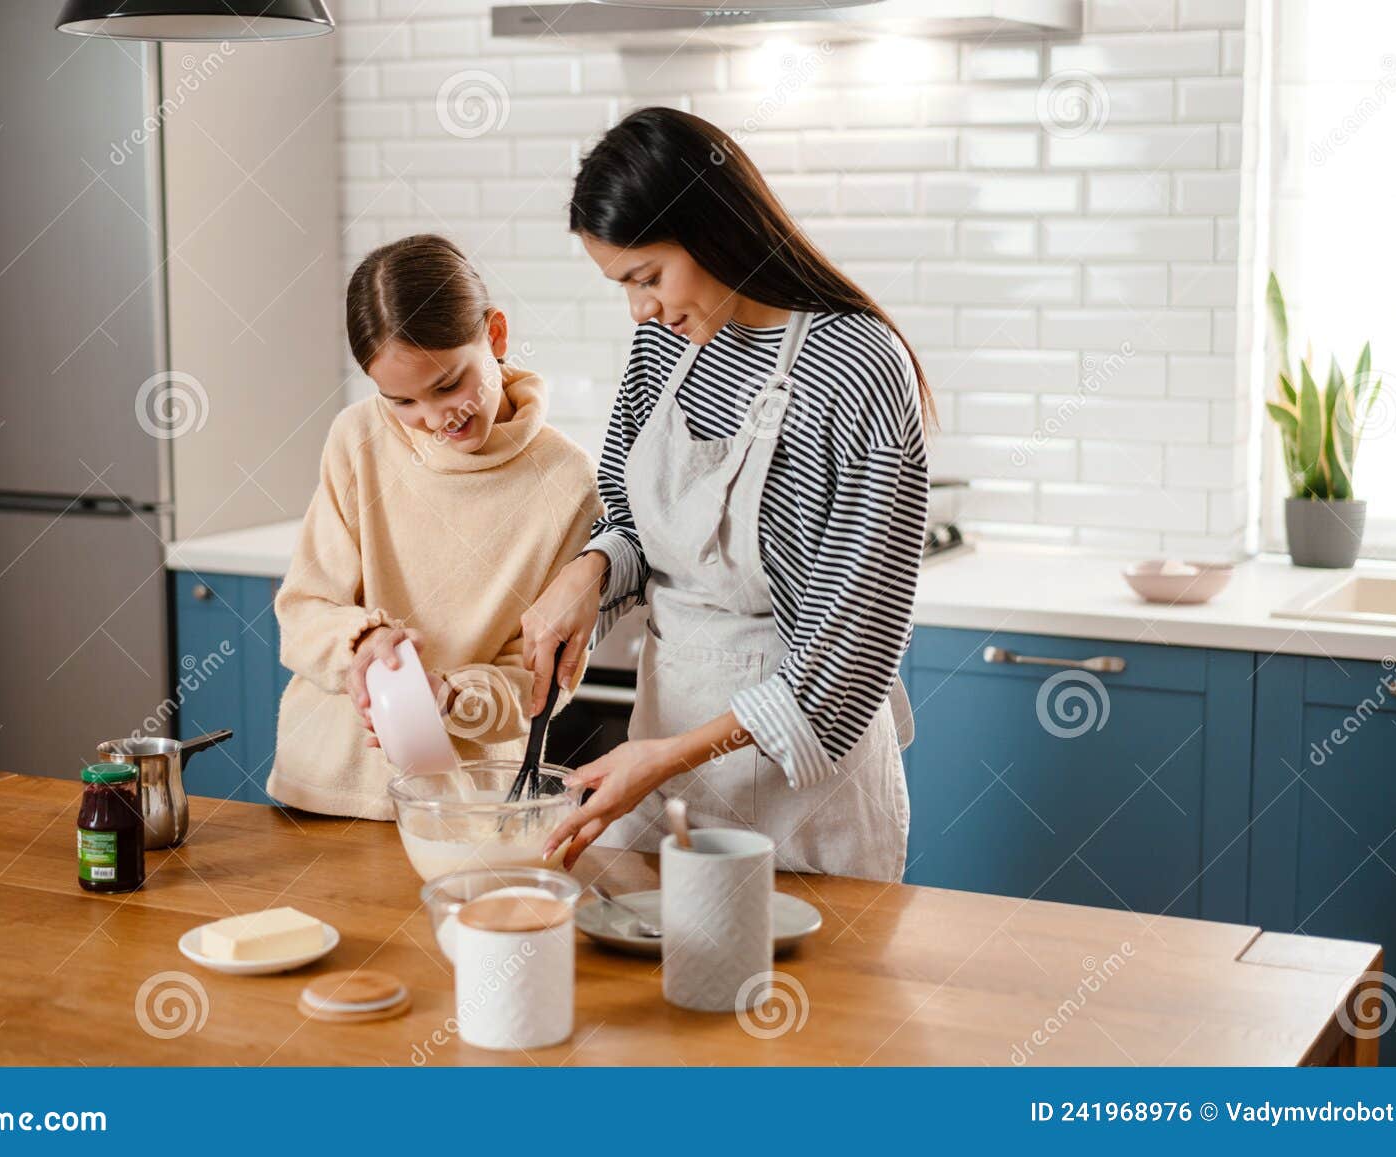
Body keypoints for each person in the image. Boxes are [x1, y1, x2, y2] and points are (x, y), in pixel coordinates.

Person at [525, 108, 932, 881]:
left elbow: (851, 653)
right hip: (659, 769)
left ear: (715, 228)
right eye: (624, 285)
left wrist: (668, 756)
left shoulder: (859, 367)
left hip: (804, 796)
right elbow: (635, 522)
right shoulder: (665, 342)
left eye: (648, 277)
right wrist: (589, 574)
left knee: (808, 996)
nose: (641, 309)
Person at [268, 234, 600, 818]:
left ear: (495, 337)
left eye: (448, 384)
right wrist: (365, 645)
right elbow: (303, 610)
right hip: (322, 792)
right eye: (402, 401)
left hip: (464, 810)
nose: (434, 418)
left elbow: (546, 679)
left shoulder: (567, 482)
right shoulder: (358, 439)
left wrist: (451, 698)